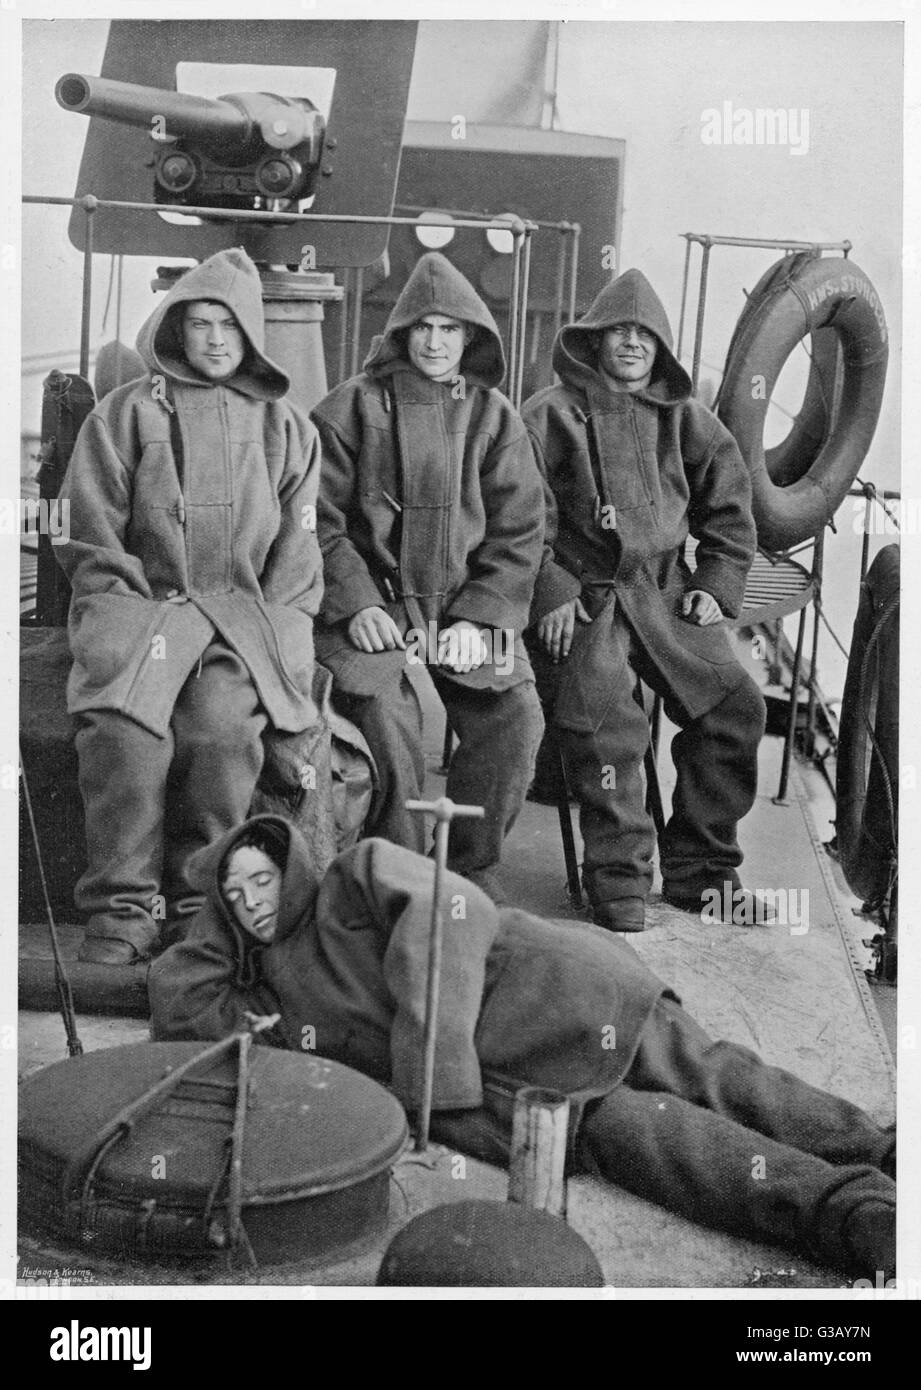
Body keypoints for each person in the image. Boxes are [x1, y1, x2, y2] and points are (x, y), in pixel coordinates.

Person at [148, 814, 896, 1284]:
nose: (252, 901)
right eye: (233, 895)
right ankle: (860, 1217)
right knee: (661, 1144)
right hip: (517, 1100)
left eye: (261, 879)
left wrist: (430, 1073)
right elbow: (181, 1006)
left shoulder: (354, 873)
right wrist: (215, 922)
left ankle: (881, 1151)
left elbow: (451, 908)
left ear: (292, 863)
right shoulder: (267, 990)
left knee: (715, 1077)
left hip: (554, 995)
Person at [55, 248, 323, 965]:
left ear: (251, 335)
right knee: (126, 738)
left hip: (242, 622)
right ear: (175, 327)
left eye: (227, 326)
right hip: (144, 613)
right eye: (198, 323)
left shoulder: (286, 428)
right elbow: (93, 537)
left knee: (222, 736)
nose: (211, 339)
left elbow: (297, 563)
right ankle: (120, 909)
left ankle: (201, 906)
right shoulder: (124, 414)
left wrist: (279, 635)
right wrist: (120, 623)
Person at [522, 268, 766, 933]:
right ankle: (619, 879)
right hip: (583, 599)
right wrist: (549, 591)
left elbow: (728, 512)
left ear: (659, 348)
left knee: (734, 707)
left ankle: (700, 872)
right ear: (594, 340)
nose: (630, 343)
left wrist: (714, 587)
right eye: (618, 331)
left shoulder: (690, 421)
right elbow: (519, 516)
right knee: (607, 729)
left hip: (663, 594)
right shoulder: (548, 415)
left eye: (644, 333)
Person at [310, 252, 544, 895]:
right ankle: (401, 877)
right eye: (423, 327)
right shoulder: (347, 410)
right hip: (373, 614)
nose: (435, 341)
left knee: (516, 717)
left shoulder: (495, 417)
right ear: (401, 333)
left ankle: (468, 868)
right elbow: (315, 522)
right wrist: (356, 605)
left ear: (470, 335)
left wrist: (481, 616)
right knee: (387, 719)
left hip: (463, 611)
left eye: (449, 328)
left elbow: (519, 530)